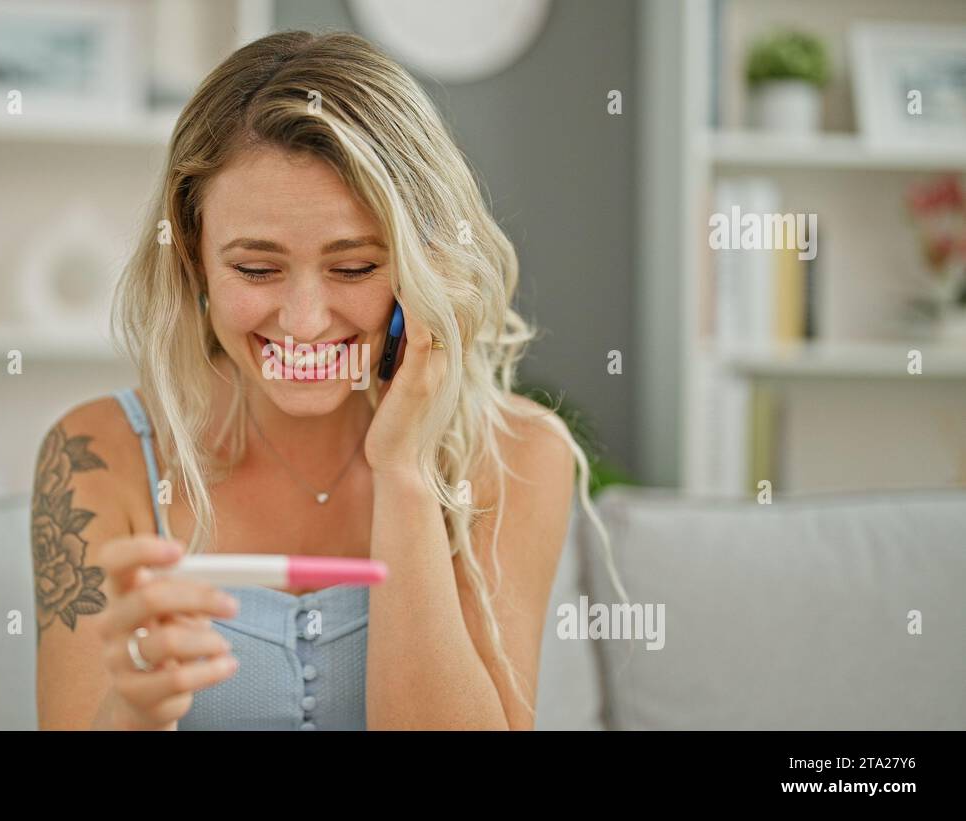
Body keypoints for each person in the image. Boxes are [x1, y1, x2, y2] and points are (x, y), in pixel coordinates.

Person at [32, 30, 627, 731]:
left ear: (423, 263)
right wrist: (136, 708)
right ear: (193, 257)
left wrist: (403, 470)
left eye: (353, 268)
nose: (305, 322)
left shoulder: (517, 456)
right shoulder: (96, 456)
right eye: (257, 269)